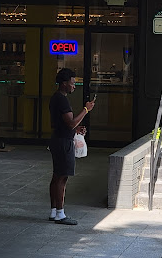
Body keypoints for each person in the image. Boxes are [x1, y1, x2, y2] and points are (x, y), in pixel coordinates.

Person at [48, 68, 94, 225]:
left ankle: (54, 211)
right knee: (62, 177)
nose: (75, 86)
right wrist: (86, 110)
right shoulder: (62, 100)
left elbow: (64, 124)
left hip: (58, 138)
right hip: (63, 142)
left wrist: (76, 130)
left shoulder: (56, 98)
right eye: (73, 83)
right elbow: (71, 122)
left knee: (56, 176)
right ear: (64, 83)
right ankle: (60, 214)